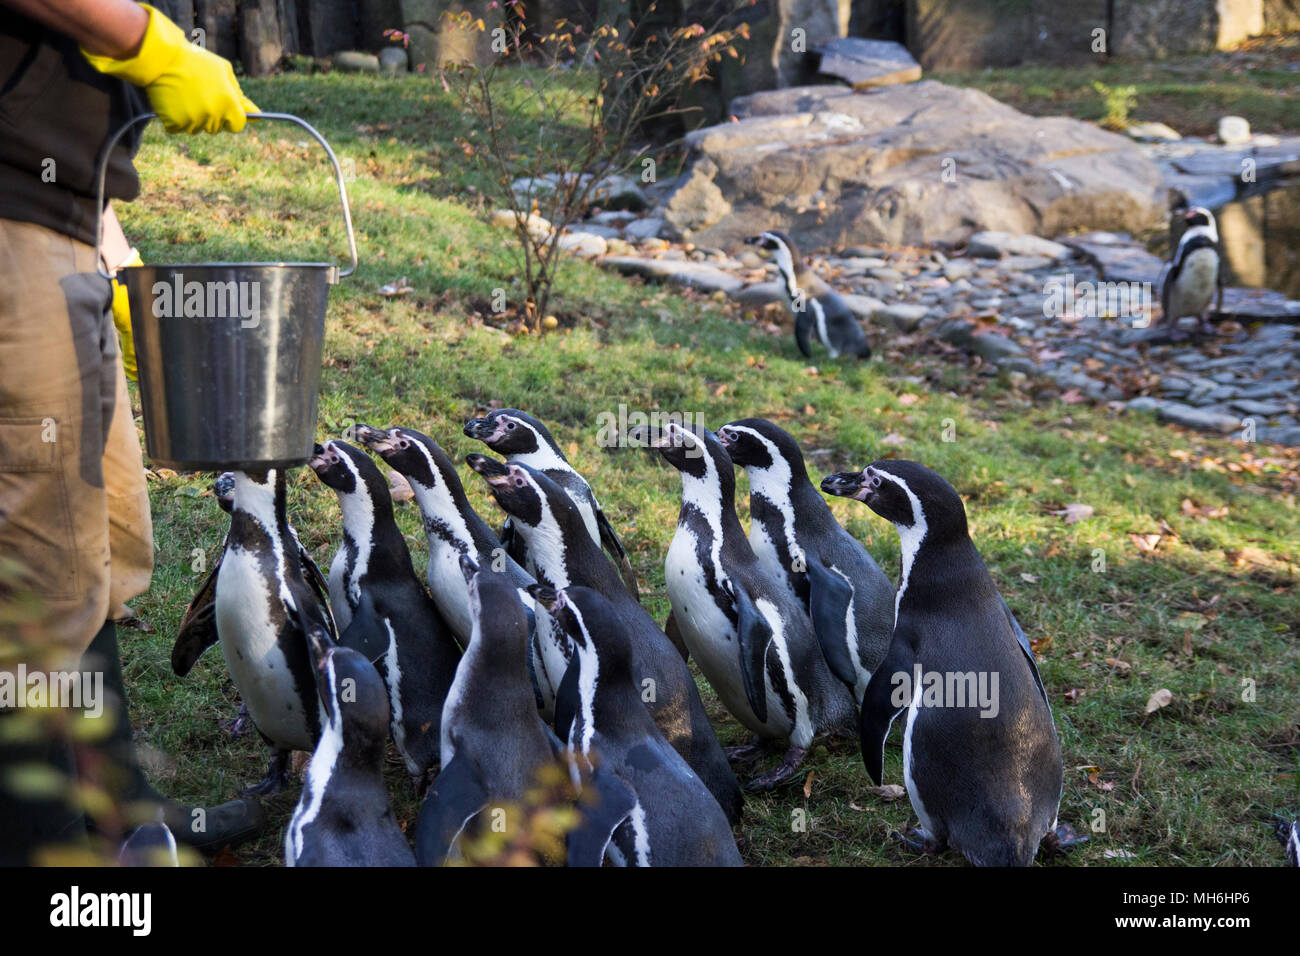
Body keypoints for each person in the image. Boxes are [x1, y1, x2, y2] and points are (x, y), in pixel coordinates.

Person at [1, 0, 265, 864]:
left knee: (103, 539)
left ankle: (118, 812)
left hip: (58, 215)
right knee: (38, 572)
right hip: (9, 223)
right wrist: (146, 40)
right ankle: (47, 853)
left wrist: (111, 251)